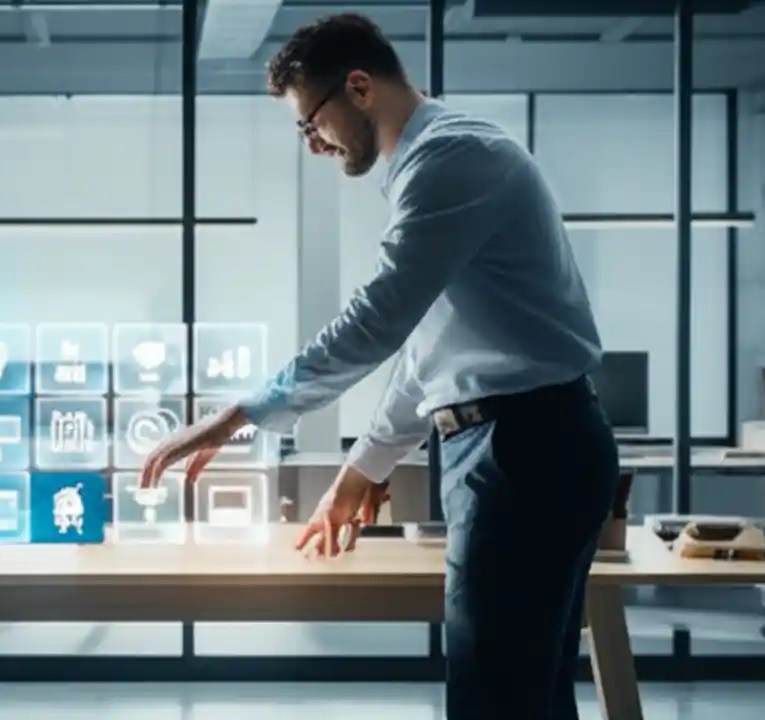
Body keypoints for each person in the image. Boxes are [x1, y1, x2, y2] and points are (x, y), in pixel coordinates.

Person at [137, 12, 620, 720]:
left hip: (525, 447)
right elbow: (429, 348)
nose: (314, 146)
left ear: (358, 87)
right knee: (524, 694)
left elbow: (376, 321)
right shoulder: (432, 167)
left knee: (497, 698)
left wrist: (236, 416)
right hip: (515, 443)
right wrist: (365, 465)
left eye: (312, 123)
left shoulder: (452, 160)